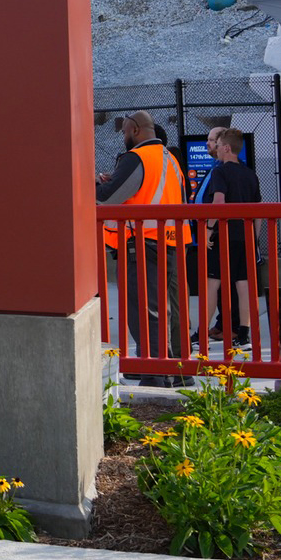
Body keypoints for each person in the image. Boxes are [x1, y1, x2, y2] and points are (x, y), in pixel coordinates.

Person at [104, 111, 188, 381]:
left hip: (144, 243)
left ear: (136, 130)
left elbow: (109, 198)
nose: (124, 137)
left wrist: (94, 185)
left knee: (146, 308)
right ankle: (180, 372)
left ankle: (153, 373)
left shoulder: (136, 157)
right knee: (172, 308)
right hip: (173, 243)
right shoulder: (170, 159)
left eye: (126, 131)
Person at [197, 127, 261, 348]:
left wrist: (208, 230)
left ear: (226, 147)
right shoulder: (250, 174)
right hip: (246, 236)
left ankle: (202, 332)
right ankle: (244, 334)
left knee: (212, 283)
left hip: (223, 236)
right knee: (243, 285)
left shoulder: (220, 172)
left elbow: (219, 201)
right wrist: (255, 239)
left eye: (218, 145)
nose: (216, 150)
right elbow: (258, 212)